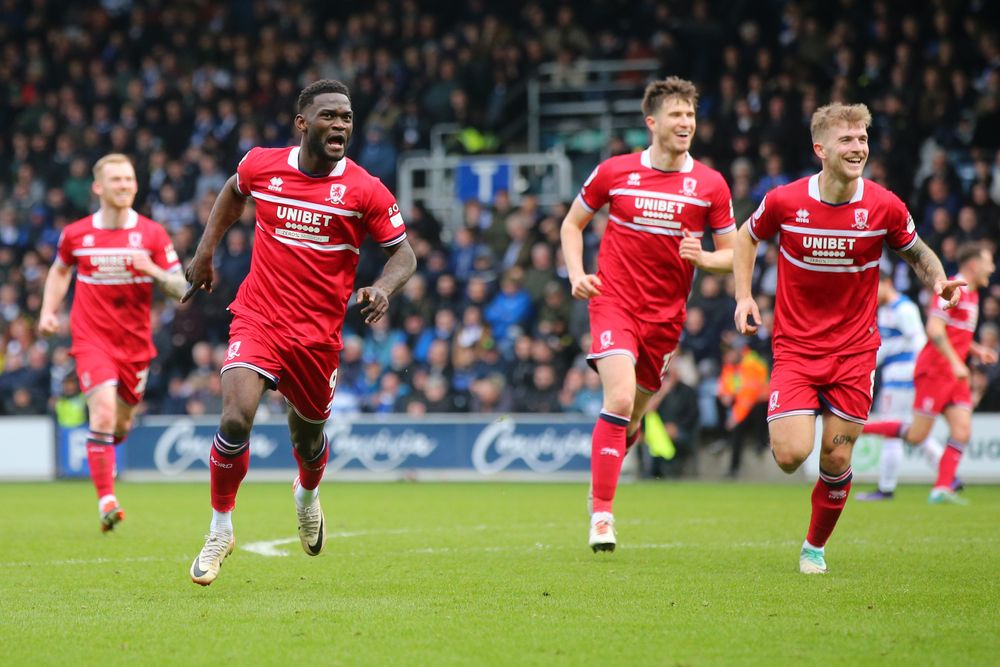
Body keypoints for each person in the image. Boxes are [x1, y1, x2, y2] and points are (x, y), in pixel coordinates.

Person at [182, 80, 416, 586]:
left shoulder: (365, 189)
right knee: (235, 418)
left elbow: (404, 253)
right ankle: (220, 529)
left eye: (347, 117)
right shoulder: (263, 165)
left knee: (307, 440)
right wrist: (205, 252)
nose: (341, 125)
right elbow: (233, 191)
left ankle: (307, 494)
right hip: (259, 317)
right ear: (302, 123)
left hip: (316, 337)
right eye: (329, 115)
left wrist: (382, 288)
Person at [733, 103, 964, 574]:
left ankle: (814, 547)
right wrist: (743, 297)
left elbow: (919, 254)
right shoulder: (784, 201)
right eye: (847, 140)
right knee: (790, 454)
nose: (858, 148)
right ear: (820, 149)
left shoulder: (884, 205)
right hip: (796, 349)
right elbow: (745, 237)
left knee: (836, 456)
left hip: (855, 353)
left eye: (862, 139)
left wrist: (939, 281)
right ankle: (794, 423)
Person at [560, 77, 736, 552]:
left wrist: (705, 258)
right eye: (676, 114)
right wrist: (576, 273)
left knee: (633, 417)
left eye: (690, 115)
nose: (686, 122)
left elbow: (734, 255)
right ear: (652, 122)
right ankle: (602, 514)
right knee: (618, 399)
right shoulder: (615, 171)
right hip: (614, 302)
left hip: (665, 318)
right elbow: (572, 224)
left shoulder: (710, 184)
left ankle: (608, 465)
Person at [38, 153, 187, 532]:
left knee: (120, 424)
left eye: (129, 179)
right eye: (116, 179)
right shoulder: (77, 234)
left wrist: (151, 269)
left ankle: (107, 450)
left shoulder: (152, 234)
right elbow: (59, 270)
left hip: (135, 346)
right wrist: (48, 312)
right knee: (102, 414)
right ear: (98, 187)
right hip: (91, 339)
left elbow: (181, 289)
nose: (124, 185)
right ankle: (107, 499)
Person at [863, 243, 996, 504]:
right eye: (988, 262)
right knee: (917, 435)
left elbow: (954, 332)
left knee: (962, 431)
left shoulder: (973, 294)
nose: (992, 268)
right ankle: (858, 429)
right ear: (973, 264)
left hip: (954, 373)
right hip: (936, 370)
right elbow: (934, 329)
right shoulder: (951, 288)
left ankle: (942, 488)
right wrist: (956, 362)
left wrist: (976, 350)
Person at [856, 272, 945, 501]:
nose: (871, 295)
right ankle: (949, 475)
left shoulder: (904, 309)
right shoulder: (886, 311)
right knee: (910, 430)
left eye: (874, 288)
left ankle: (886, 488)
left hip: (904, 375)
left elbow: (919, 341)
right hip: (895, 374)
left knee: (892, 430)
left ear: (888, 283)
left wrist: (918, 372)